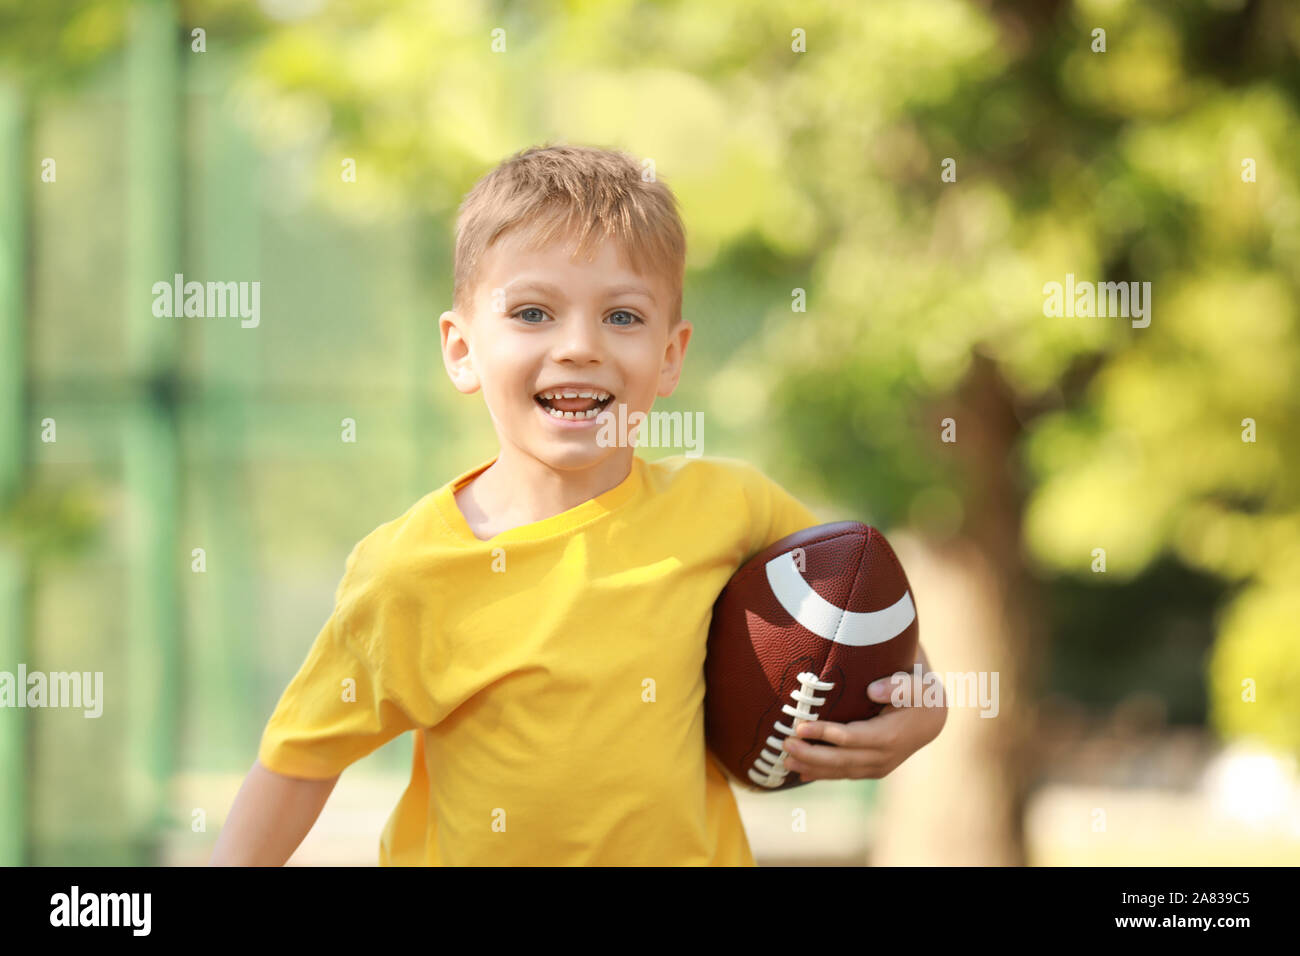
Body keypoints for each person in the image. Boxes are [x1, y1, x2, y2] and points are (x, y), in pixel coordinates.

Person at [209, 144, 946, 866]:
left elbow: (865, 614)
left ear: (670, 355)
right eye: (533, 313)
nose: (579, 347)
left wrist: (923, 712)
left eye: (623, 317)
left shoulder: (735, 508)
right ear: (462, 350)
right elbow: (299, 763)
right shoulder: (410, 571)